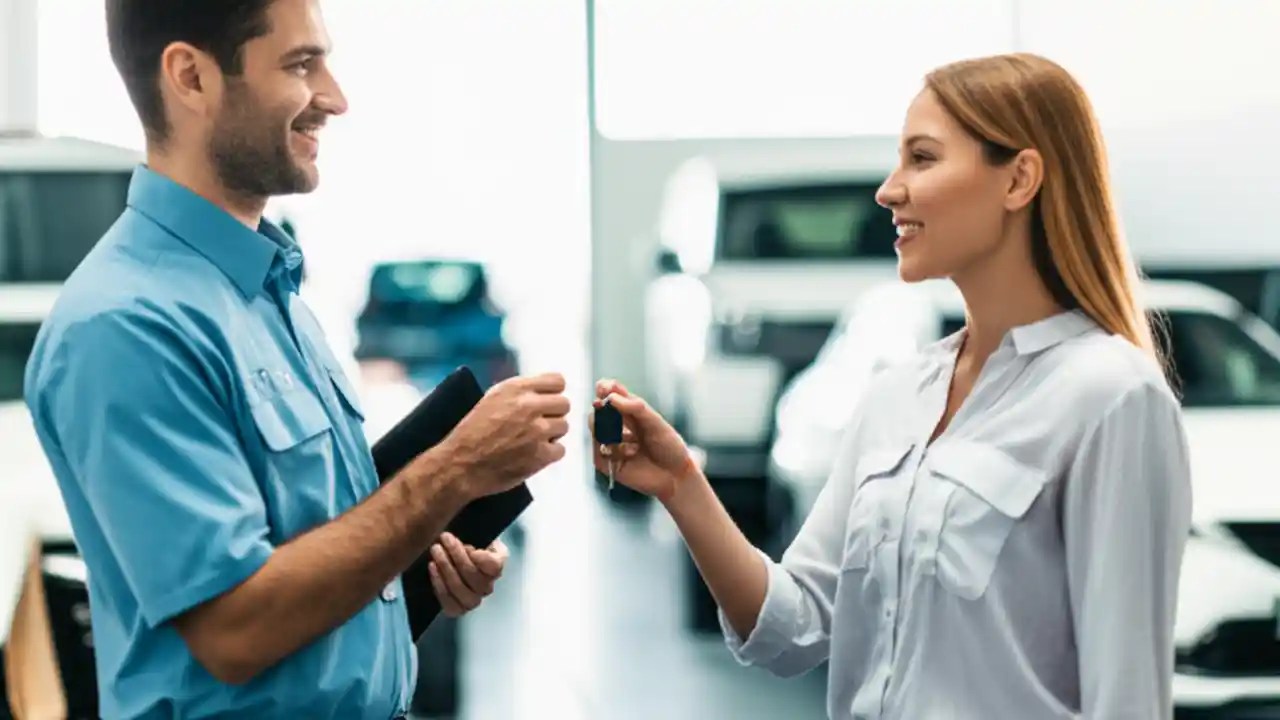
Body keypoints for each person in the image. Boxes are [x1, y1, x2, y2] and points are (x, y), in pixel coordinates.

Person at [593, 52, 1192, 719]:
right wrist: (681, 485)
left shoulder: (1111, 397)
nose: (888, 189)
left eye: (923, 158)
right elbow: (792, 630)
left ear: (1019, 179)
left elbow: (1127, 701)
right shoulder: (896, 395)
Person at [23, 1, 570, 718]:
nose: (334, 98)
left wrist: (412, 564)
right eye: (300, 64)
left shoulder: (271, 294)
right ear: (191, 77)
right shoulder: (124, 327)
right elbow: (235, 629)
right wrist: (452, 472)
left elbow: (310, 548)